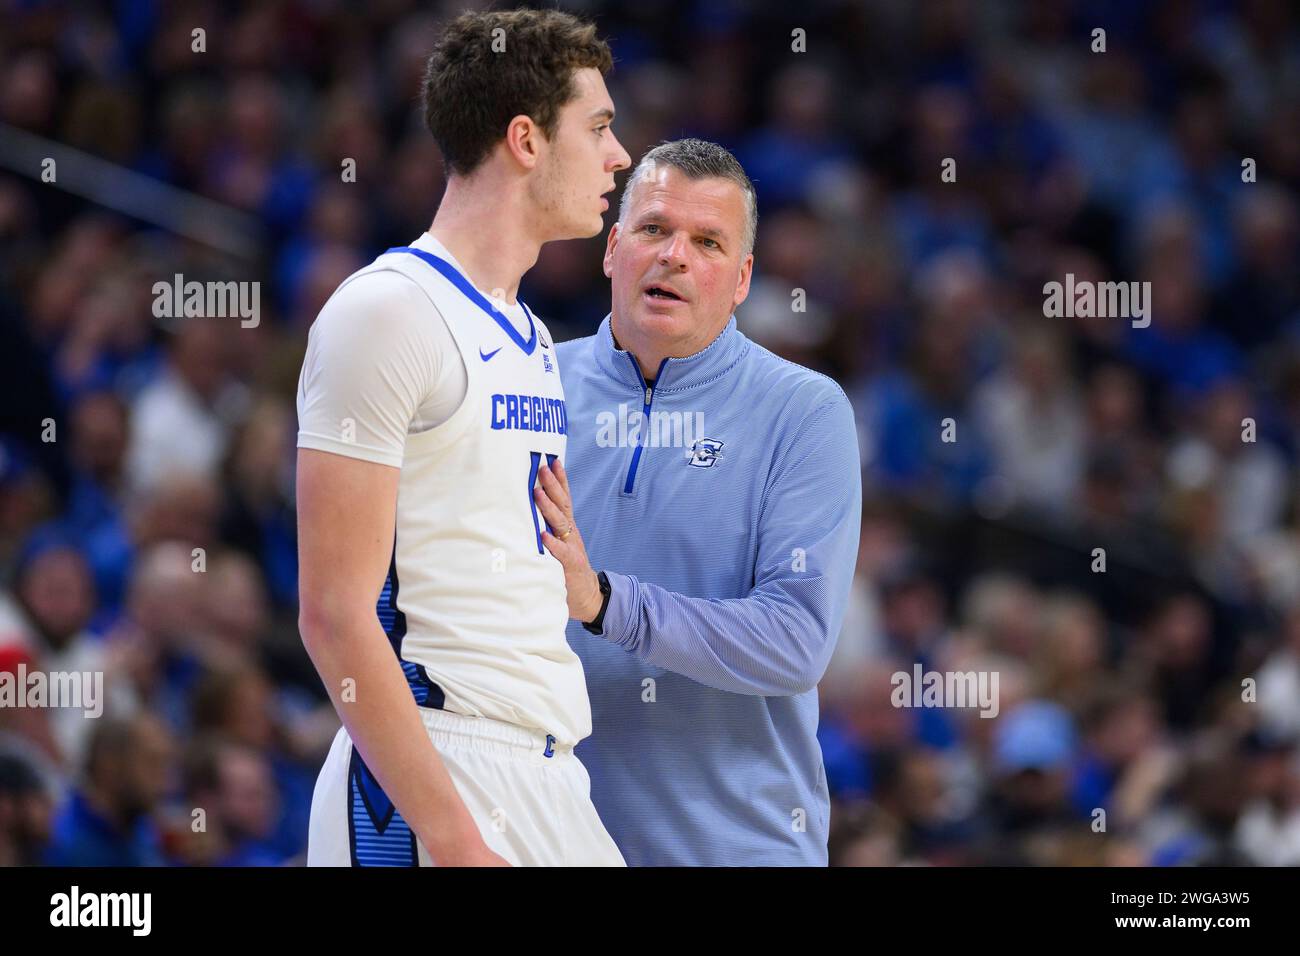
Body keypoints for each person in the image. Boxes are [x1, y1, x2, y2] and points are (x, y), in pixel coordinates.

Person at [296, 8, 630, 867]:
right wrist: (450, 833)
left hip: (551, 769)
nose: (619, 156)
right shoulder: (388, 311)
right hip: (435, 766)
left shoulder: (536, 340)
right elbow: (334, 613)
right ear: (525, 139)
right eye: (597, 128)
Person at [535, 139, 861, 864]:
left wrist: (607, 604)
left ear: (742, 279)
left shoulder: (803, 412)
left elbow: (796, 642)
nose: (674, 256)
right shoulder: (531, 386)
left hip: (737, 847)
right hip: (547, 840)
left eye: (707, 242)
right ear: (613, 248)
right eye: (654, 229)